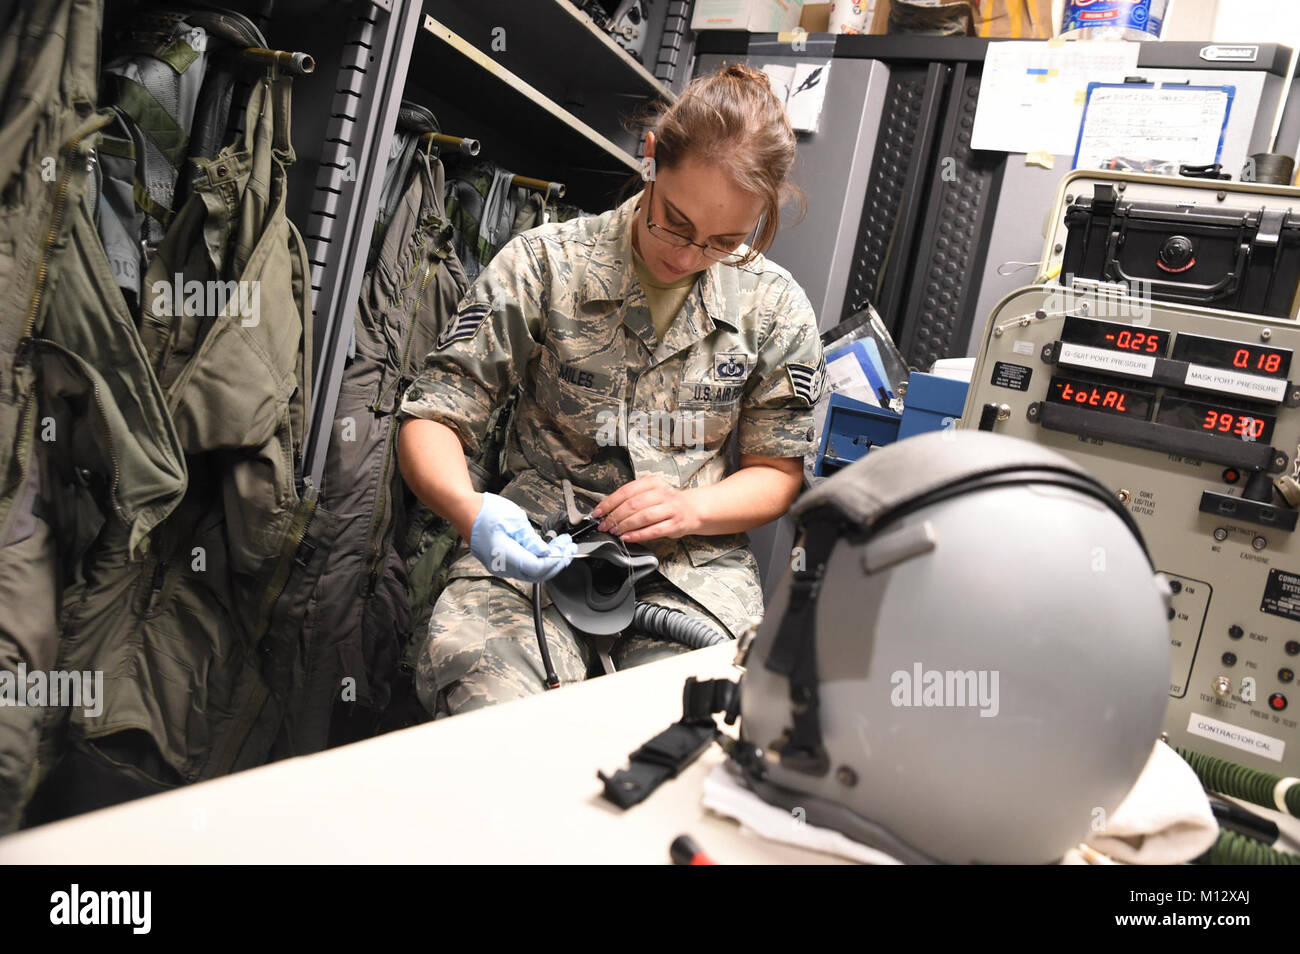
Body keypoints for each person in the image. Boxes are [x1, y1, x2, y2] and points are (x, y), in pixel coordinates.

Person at [396, 63, 826, 716]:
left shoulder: (775, 309)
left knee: (688, 728)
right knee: (492, 710)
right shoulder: (543, 264)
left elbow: (776, 473)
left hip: (688, 576)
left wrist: (691, 510)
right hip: (535, 556)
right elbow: (434, 415)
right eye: (674, 223)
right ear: (651, 161)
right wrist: (468, 508)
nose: (686, 256)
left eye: (722, 242)